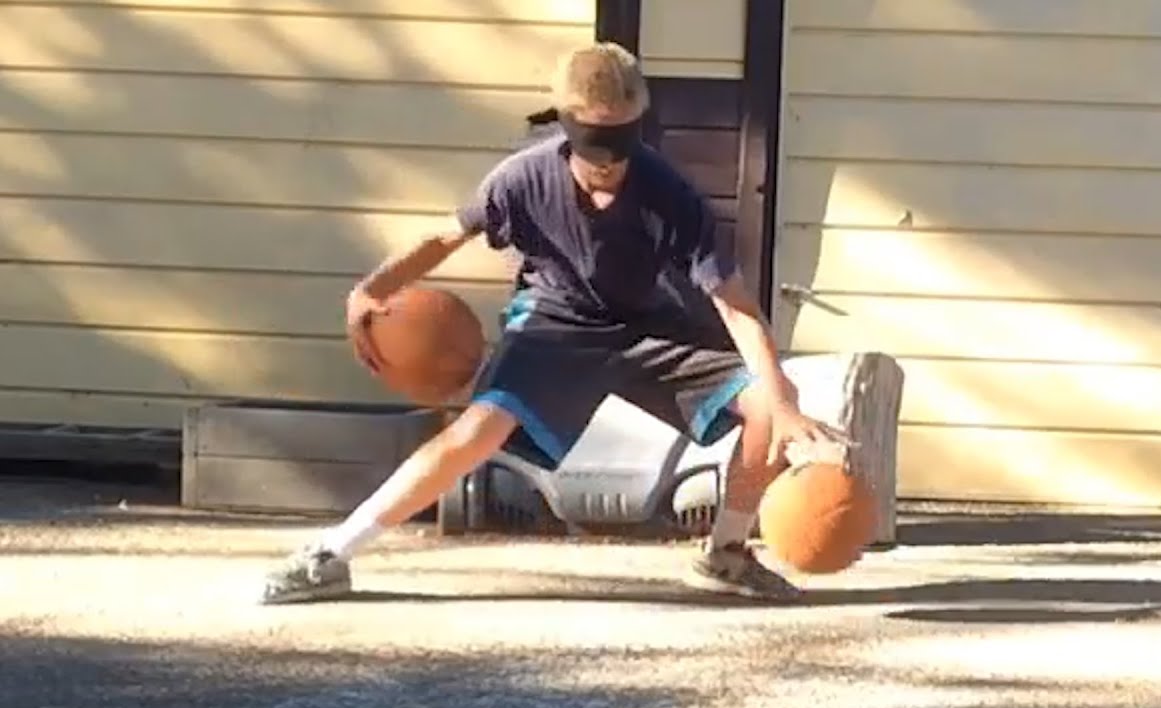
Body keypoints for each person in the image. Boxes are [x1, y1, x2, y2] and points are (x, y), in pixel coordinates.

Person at [258, 41, 843, 605]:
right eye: (594, 144)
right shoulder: (523, 179)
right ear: (566, 126)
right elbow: (444, 237)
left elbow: (735, 303)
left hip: (650, 327)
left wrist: (783, 401)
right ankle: (332, 554)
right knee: (475, 433)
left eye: (622, 142)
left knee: (769, 402)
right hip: (555, 322)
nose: (609, 162)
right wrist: (371, 289)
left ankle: (727, 555)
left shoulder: (671, 195)